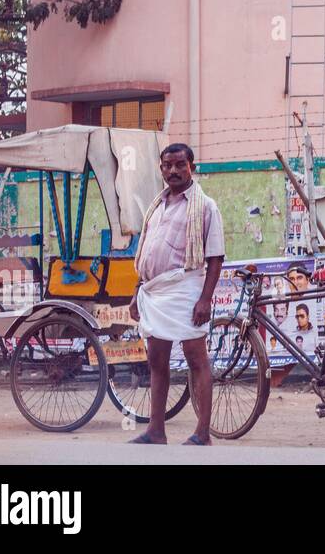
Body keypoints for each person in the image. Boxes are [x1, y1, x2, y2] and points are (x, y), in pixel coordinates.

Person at [129, 142, 225, 446]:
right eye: (167, 165)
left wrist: (205, 298)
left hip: (186, 290)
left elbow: (215, 257)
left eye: (179, 165)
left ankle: (202, 433)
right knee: (157, 360)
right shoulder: (156, 205)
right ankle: (156, 431)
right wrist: (136, 292)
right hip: (154, 291)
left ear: (191, 167)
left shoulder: (206, 205)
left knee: (196, 359)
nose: (173, 170)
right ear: (161, 169)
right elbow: (146, 251)